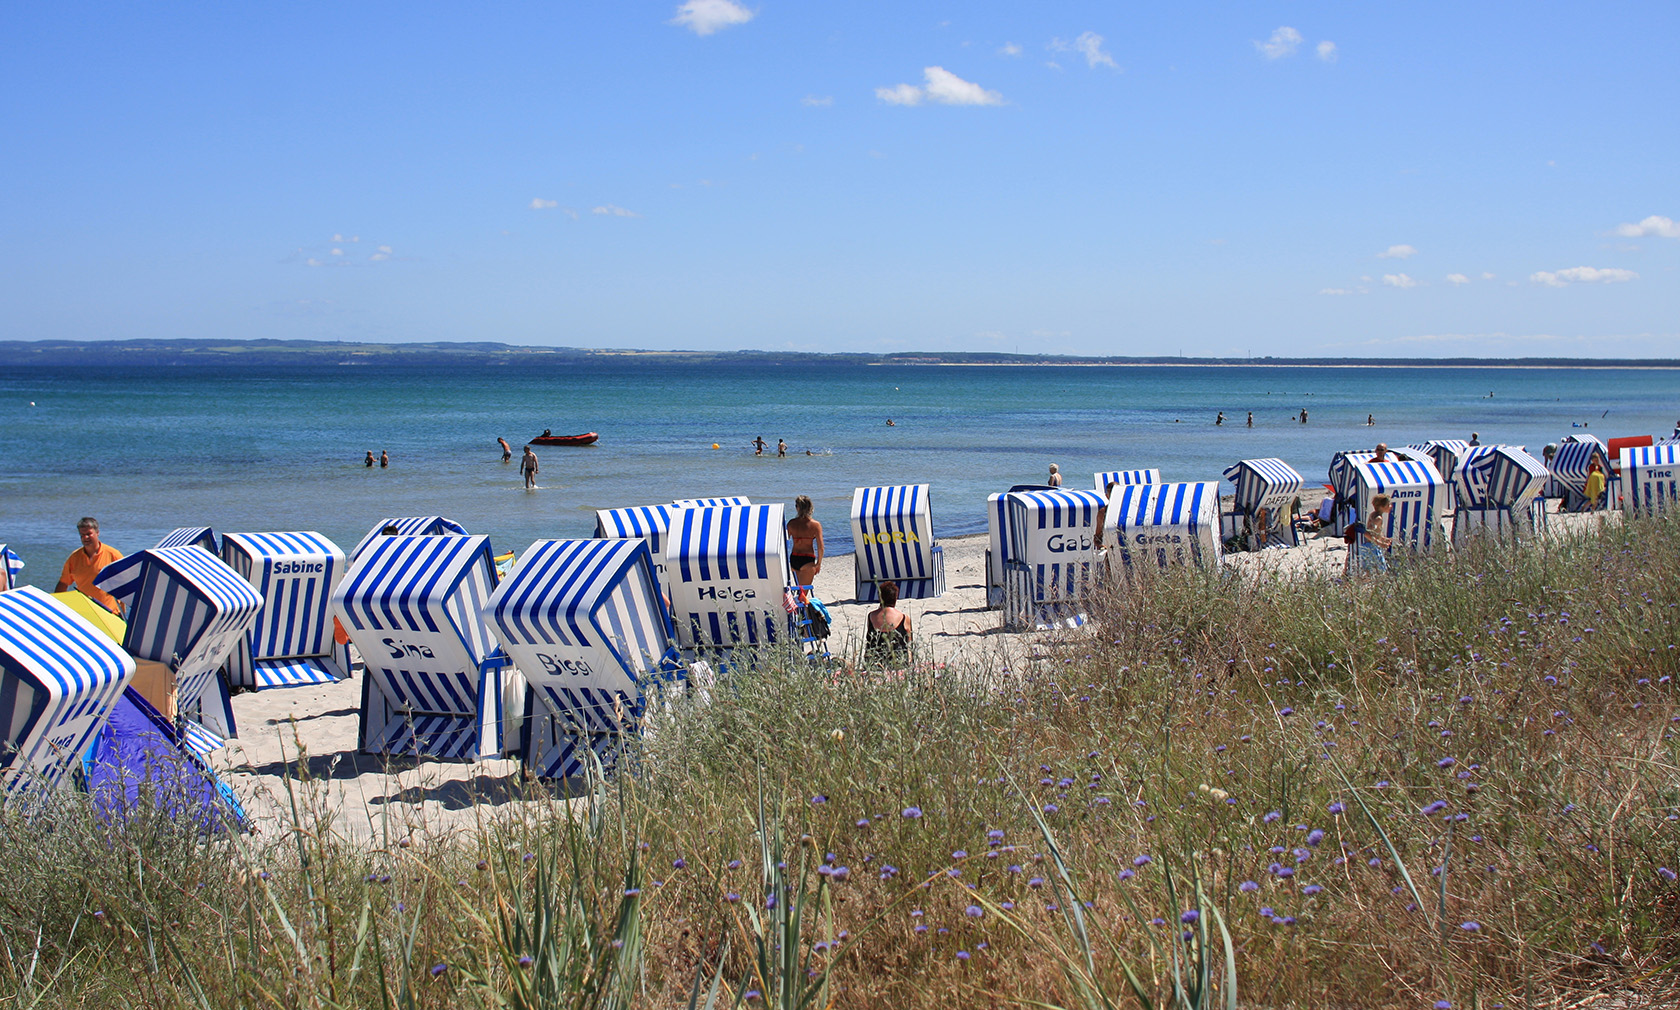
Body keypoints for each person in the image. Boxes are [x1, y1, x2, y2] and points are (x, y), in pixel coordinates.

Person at [56, 517, 124, 614]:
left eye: (89, 534)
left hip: (110, 613)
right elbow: (63, 583)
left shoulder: (113, 555)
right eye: (82, 535)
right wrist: (57, 606)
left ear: (97, 533)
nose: (85, 538)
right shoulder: (74, 557)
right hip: (84, 613)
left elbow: (127, 583)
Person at [862, 580, 912, 669]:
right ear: (895, 597)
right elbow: (909, 644)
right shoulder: (904, 618)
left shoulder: (872, 616)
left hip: (875, 663)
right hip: (898, 664)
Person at [1346, 494, 1393, 573]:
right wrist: (1380, 543)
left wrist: (1383, 539)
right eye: (1388, 505)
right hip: (1372, 547)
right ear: (1382, 506)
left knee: (1367, 572)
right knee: (1381, 571)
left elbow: (1374, 533)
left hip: (1367, 546)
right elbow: (1367, 533)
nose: (1390, 506)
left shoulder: (1373, 514)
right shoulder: (1378, 519)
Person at [787, 494, 824, 587]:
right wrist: (819, 563)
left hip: (794, 558)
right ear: (810, 507)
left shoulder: (791, 523)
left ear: (798, 508)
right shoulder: (815, 525)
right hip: (807, 559)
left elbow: (783, 542)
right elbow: (821, 547)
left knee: (800, 590)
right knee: (803, 592)